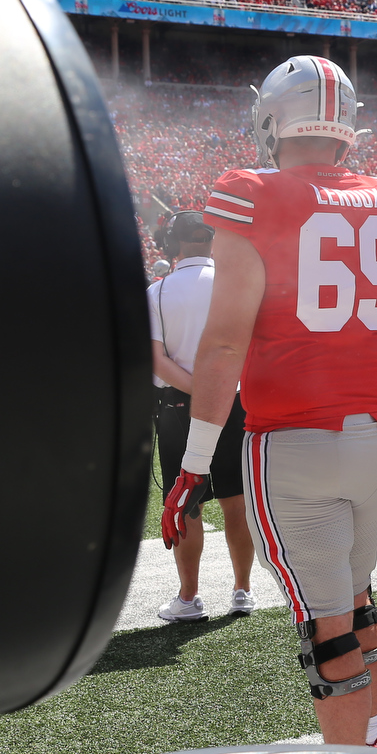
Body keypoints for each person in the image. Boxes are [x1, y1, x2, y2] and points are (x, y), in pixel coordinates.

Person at [168, 55, 377, 748]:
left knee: (326, 624)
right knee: (356, 598)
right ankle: (372, 738)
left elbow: (224, 346)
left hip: (291, 442)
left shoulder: (250, 192)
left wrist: (195, 464)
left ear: (272, 119)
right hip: (373, 439)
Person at [149, 210, 256, 622]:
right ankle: (242, 590)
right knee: (236, 499)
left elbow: (157, 362)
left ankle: (189, 597)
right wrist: (222, 393)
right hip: (236, 400)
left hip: (180, 405)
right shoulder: (237, 284)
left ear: (170, 246)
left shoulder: (156, 292)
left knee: (187, 502)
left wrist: (204, 393)